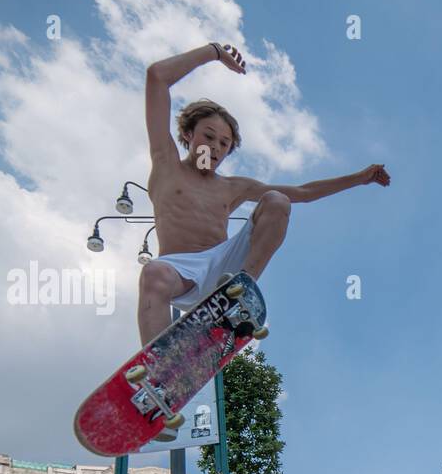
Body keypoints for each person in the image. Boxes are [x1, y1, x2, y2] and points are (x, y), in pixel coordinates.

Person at [139, 43, 390, 436]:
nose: (216, 149)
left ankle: (243, 290)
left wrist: (359, 178)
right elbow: (156, 77)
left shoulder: (233, 186)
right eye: (208, 137)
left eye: (224, 144)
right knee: (153, 274)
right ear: (187, 135)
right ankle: (162, 385)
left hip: (223, 267)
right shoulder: (165, 162)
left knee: (277, 200)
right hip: (181, 271)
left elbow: (303, 192)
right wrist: (212, 53)